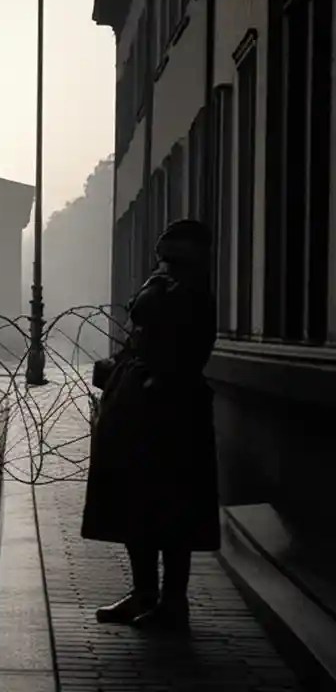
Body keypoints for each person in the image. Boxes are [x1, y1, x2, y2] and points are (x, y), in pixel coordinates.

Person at [83, 219, 219, 631]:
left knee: (172, 512)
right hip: (141, 411)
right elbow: (140, 329)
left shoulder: (188, 294)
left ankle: (172, 602)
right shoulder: (174, 292)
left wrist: (157, 283)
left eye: (167, 258)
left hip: (170, 416)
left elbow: (145, 312)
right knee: (134, 506)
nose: (161, 264)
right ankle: (145, 594)